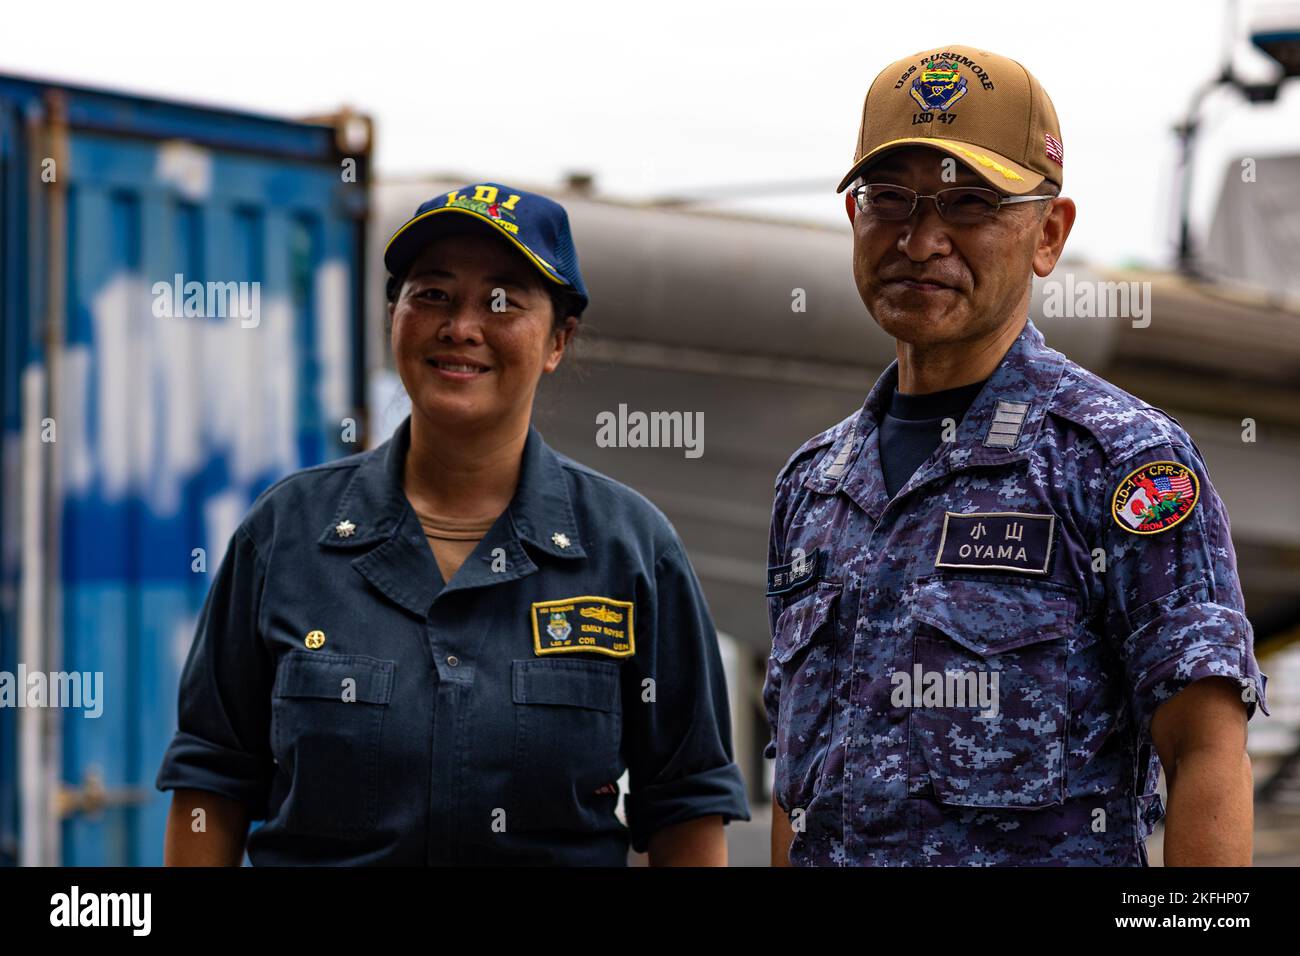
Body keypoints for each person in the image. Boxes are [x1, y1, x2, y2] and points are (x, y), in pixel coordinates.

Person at [764, 45, 1267, 866]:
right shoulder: (813, 488)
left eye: (970, 205)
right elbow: (798, 779)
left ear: (1049, 234)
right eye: (890, 200)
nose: (921, 241)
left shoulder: (1120, 462)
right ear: (856, 217)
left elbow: (1206, 751)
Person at [156, 182, 749, 865]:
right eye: (432, 294)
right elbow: (212, 782)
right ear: (394, 317)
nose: (461, 327)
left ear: (559, 340)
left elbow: (687, 805)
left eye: (502, 301)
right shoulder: (285, 535)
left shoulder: (631, 551)